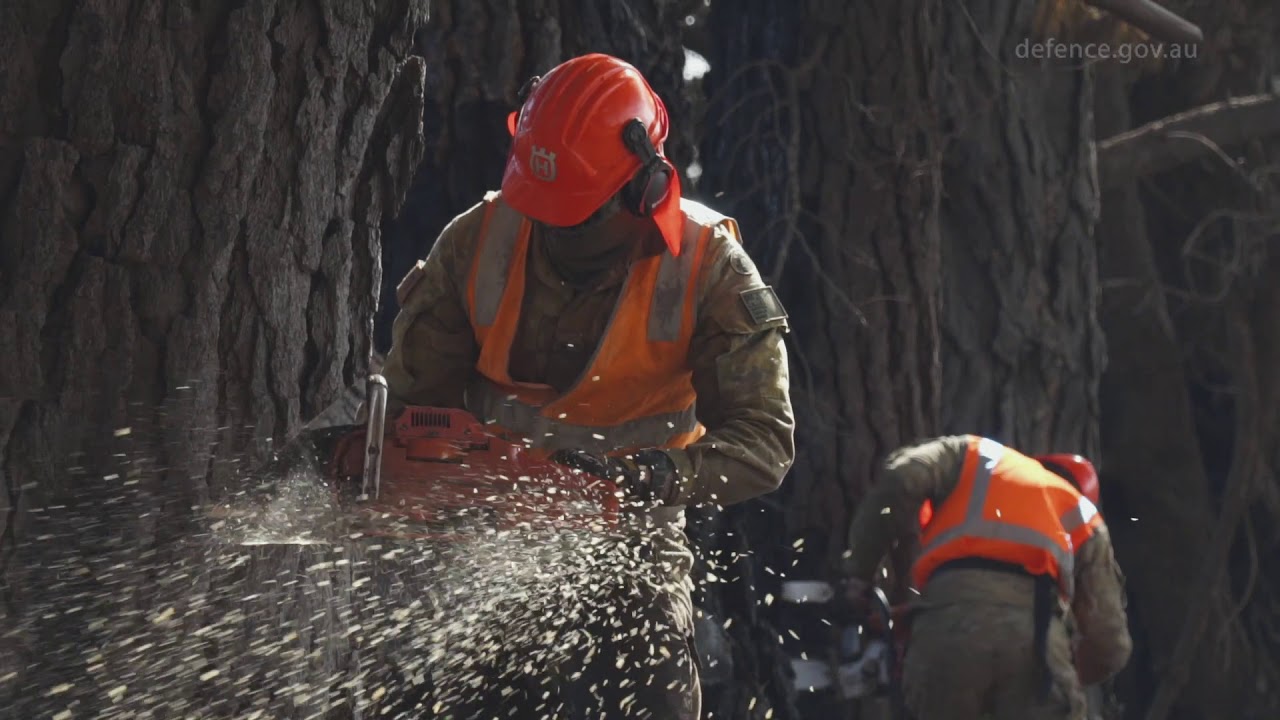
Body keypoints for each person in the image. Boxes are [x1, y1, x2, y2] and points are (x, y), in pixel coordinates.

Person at [377, 52, 796, 718]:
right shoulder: (478, 241)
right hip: (480, 534)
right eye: (541, 207)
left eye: (575, 214)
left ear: (645, 188)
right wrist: (430, 476)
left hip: (632, 541)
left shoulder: (709, 267)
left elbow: (764, 441)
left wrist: (654, 476)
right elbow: (412, 406)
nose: (553, 227)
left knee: (649, 690)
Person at [842, 435, 1132, 720]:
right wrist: (1062, 671)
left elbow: (904, 478)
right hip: (1039, 647)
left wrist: (859, 572)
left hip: (946, 632)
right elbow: (1109, 643)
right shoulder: (1083, 515)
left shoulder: (975, 455)